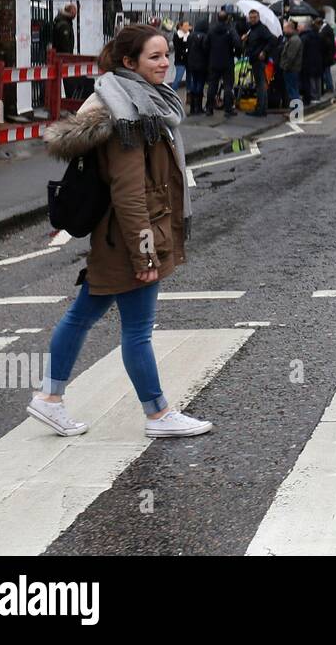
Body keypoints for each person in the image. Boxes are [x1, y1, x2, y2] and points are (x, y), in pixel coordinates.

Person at [30, 24, 212, 439]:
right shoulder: (127, 115)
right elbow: (131, 196)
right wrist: (145, 256)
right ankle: (158, 413)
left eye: (167, 54)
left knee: (82, 316)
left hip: (119, 238)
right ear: (129, 63)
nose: (165, 63)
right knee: (137, 329)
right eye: (154, 57)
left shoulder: (145, 102)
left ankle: (50, 398)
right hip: (130, 240)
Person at [205, 9, 241, 117]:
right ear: (227, 19)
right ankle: (228, 109)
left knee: (212, 85)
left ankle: (209, 108)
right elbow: (237, 44)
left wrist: (210, 54)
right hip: (227, 61)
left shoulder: (211, 30)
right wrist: (236, 53)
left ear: (217, 18)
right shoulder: (230, 30)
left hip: (214, 61)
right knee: (228, 86)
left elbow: (206, 44)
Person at [243, 9, 276, 118]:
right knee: (260, 85)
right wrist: (246, 40)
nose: (252, 19)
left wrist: (264, 51)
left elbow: (272, 40)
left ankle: (260, 109)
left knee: (260, 85)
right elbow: (253, 43)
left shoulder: (262, 29)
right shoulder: (251, 29)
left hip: (259, 60)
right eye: (250, 17)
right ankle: (261, 108)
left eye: (254, 17)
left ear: (258, 17)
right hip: (254, 59)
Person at [185, 20, 209, 115]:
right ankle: (198, 107)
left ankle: (192, 107)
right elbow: (206, 51)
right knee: (200, 84)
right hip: (202, 64)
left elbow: (188, 48)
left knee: (193, 83)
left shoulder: (190, 36)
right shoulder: (205, 37)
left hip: (191, 64)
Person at [279, 20, 303, 108]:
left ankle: (296, 112)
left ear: (290, 28)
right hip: (291, 69)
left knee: (293, 91)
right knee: (293, 91)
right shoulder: (292, 39)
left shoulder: (294, 40)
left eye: (285, 28)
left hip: (291, 69)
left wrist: (284, 67)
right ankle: (295, 111)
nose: (284, 31)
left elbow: (290, 57)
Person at [299, 20, 323, 103]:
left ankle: (313, 96)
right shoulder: (319, 36)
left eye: (299, 26)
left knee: (311, 79)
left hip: (308, 61)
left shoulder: (305, 37)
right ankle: (318, 96)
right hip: (318, 60)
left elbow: (302, 50)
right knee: (317, 79)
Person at [318, 18, 336, 96]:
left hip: (326, 56)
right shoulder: (328, 28)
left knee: (326, 73)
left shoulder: (325, 30)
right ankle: (330, 87)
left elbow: (326, 43)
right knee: (327, 72)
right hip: (328, 55)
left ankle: (330, 87)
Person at [172, 20, 192, 91]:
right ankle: (172, 94)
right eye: (186, 26)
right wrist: (186, 51)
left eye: (188, 26)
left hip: (189, 60)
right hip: (180, 60)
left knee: (190, 78)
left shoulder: (190, 35)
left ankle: (189, 95)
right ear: (180, 27)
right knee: (178, 78)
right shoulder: (177, 35)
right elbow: (178, 49)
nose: (188, 27)